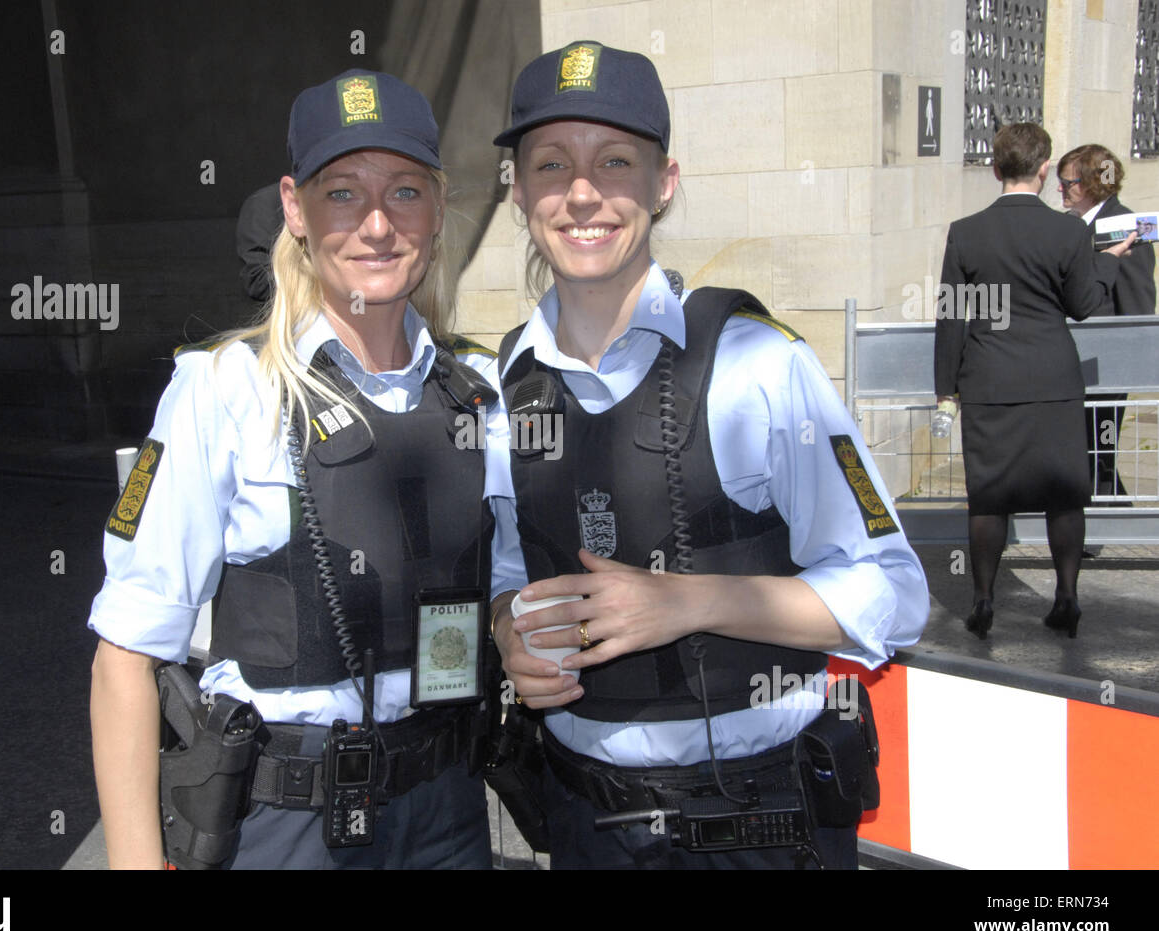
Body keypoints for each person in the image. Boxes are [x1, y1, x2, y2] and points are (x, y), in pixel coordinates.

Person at [485, 41, 929, 869]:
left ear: (664, 182)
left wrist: (690, 602)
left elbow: (894, 593)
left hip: (756, 826)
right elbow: (510, 572)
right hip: (585, 826)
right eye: (551, 164)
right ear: (519, 190)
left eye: (615, 161)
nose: (583, 193)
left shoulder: (762, 364)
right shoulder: (503, 387)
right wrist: (510, 625)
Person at [89, 69, 503, 869]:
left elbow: (510, 589)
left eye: (405, 192)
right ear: (294, 208)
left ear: (437, 208)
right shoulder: (224, 389)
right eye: (343, 192)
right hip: (293, 824)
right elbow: (126, 655)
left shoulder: (478, 392)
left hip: (448, 812)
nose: (377, 225)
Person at [934, 123, 1135, 641]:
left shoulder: (965, 231)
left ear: (996, 169)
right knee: (1065, 495)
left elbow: (951, 318)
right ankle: (1066, 599)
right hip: (1053, 379)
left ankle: (982, 602)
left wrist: (944, 389)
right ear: (1044, 171)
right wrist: (1109, 263)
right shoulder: (1071, 232)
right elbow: (1083, 306)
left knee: (989, 498)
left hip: (987, 382)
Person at [1057, 143, 1156, 502]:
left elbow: (1137, 300)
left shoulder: (1125, 226)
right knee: (1084, 443)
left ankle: (1101, 517)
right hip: (1073, 357)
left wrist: (1130, 360)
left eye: (1067, 182)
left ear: (1092, 184)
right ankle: (1108, 511)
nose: (1060, 188)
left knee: (1099, 442)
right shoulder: (1068, 225)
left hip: (1108, 360)